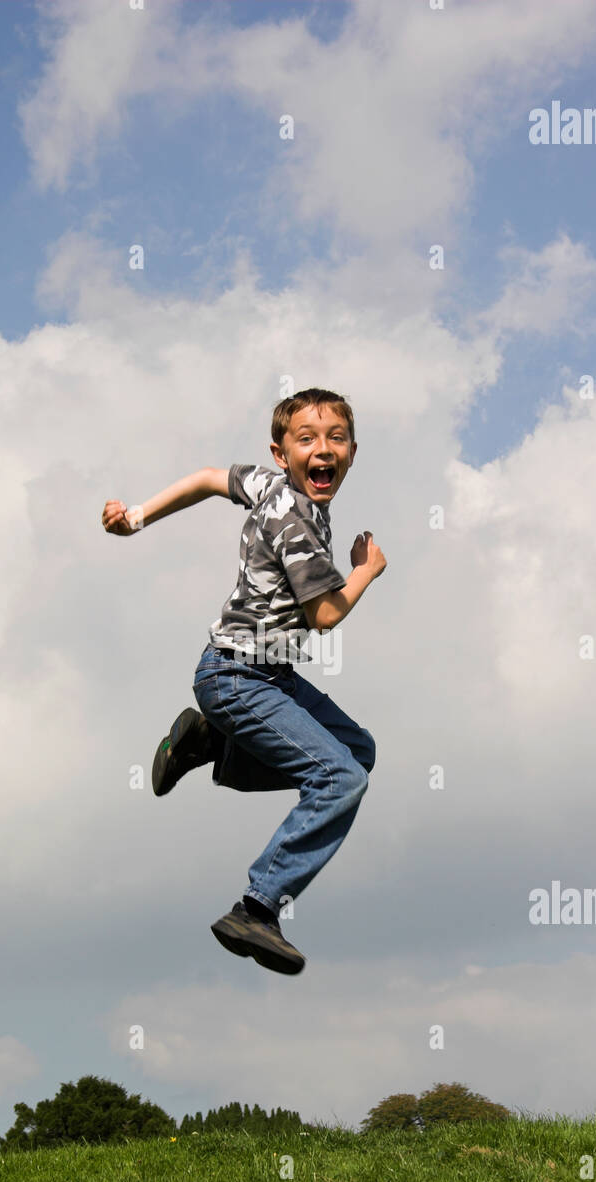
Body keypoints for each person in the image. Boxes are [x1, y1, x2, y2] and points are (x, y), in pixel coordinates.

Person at [101, 388, 386, 976]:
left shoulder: (270, 485)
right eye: (306, 439)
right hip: (237, 679)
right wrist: (365, 572)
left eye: (335, 438)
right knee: (340, 779)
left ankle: (213, 747)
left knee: (359, 751)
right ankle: (257, 907)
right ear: (282, 454)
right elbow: (325, 615)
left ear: (353, 452)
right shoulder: (298, 521)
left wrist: (136, 517)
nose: (322, 449)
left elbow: (208, 478)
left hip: (263, 674)